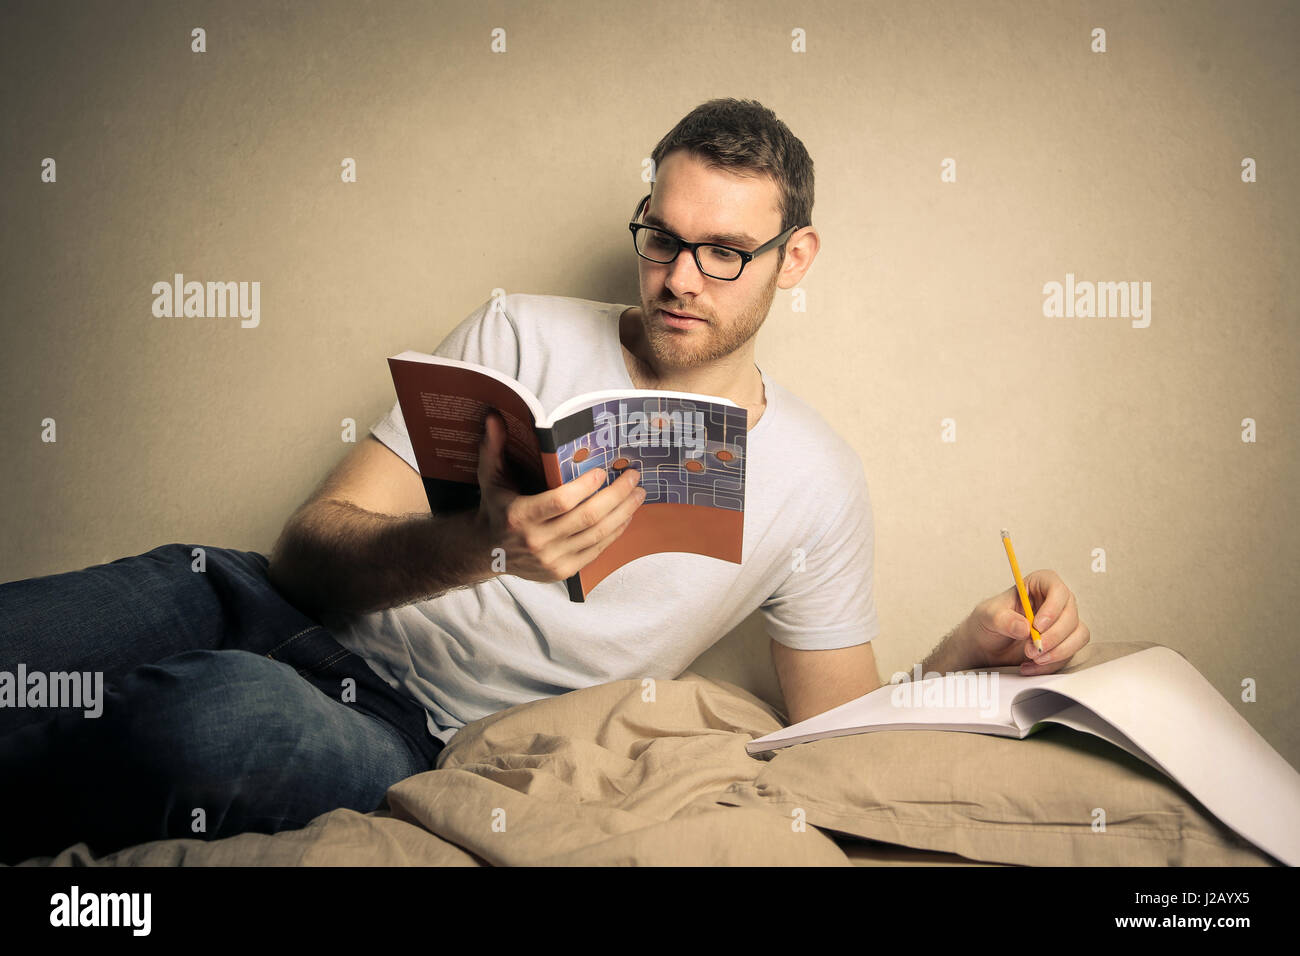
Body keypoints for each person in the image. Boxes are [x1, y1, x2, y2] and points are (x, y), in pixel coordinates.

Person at [0, 98, 1089, 863]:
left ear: (793, 258)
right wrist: (484, 541)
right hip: (263, 599)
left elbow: (836, 720)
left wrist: (967, 657)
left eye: (724, 251)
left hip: (404, 727)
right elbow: (307, 548)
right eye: (661, 238)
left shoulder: (815, 479)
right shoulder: (517, 327)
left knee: (214, 723)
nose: (678, 278)